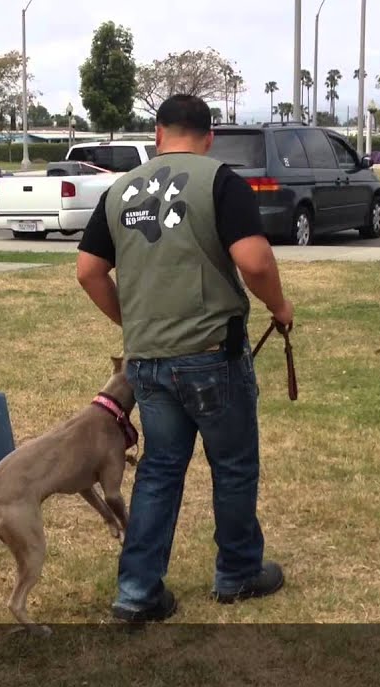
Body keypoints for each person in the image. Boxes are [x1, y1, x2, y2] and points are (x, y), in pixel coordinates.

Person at [76, 93, 295, 623]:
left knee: (158, 472)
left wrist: (135, 324)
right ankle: (239, 572)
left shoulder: (119, 190)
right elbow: (254, 259)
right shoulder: (220, 181)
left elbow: (88, 271)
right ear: (209, 136)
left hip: (146, 361)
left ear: (157, 133)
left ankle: (137, 592)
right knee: (234, 466)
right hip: (211, 354)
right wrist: (280, 307)